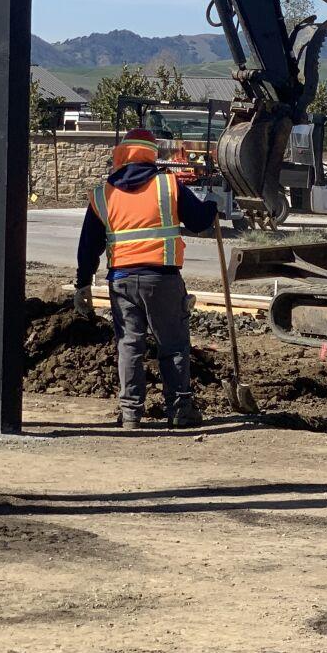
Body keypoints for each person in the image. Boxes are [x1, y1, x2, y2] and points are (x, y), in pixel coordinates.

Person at [73, 129, 218, 429]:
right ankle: (179, 410)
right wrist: (212, 206)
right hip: (161, 279)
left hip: (122, 281)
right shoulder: (168, 185)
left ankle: (130, 414)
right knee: (173, 345)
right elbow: (199, 221)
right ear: (152, 154)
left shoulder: (104, 194)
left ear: (122, 155)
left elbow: (88, 246)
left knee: (129, 345)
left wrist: (83, 284)